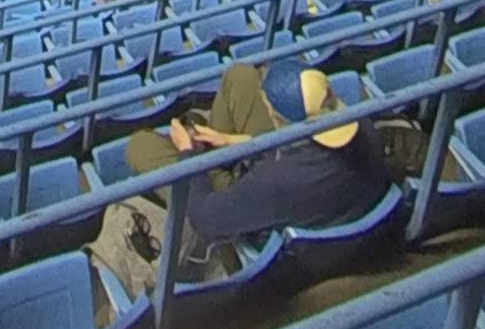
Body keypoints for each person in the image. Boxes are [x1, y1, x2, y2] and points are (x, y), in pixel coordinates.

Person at [119, 61, 380, 266]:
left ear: (277, 117)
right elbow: (301, 149)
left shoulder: (273, 181)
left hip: (252, 208)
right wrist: (237, 141)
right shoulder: (365, 129)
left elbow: (205, 220)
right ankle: (216, 150)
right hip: (300, 193)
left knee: (140, 146)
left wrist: (189, 154)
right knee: (240, 74)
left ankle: (205, 156)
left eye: (267, 106)